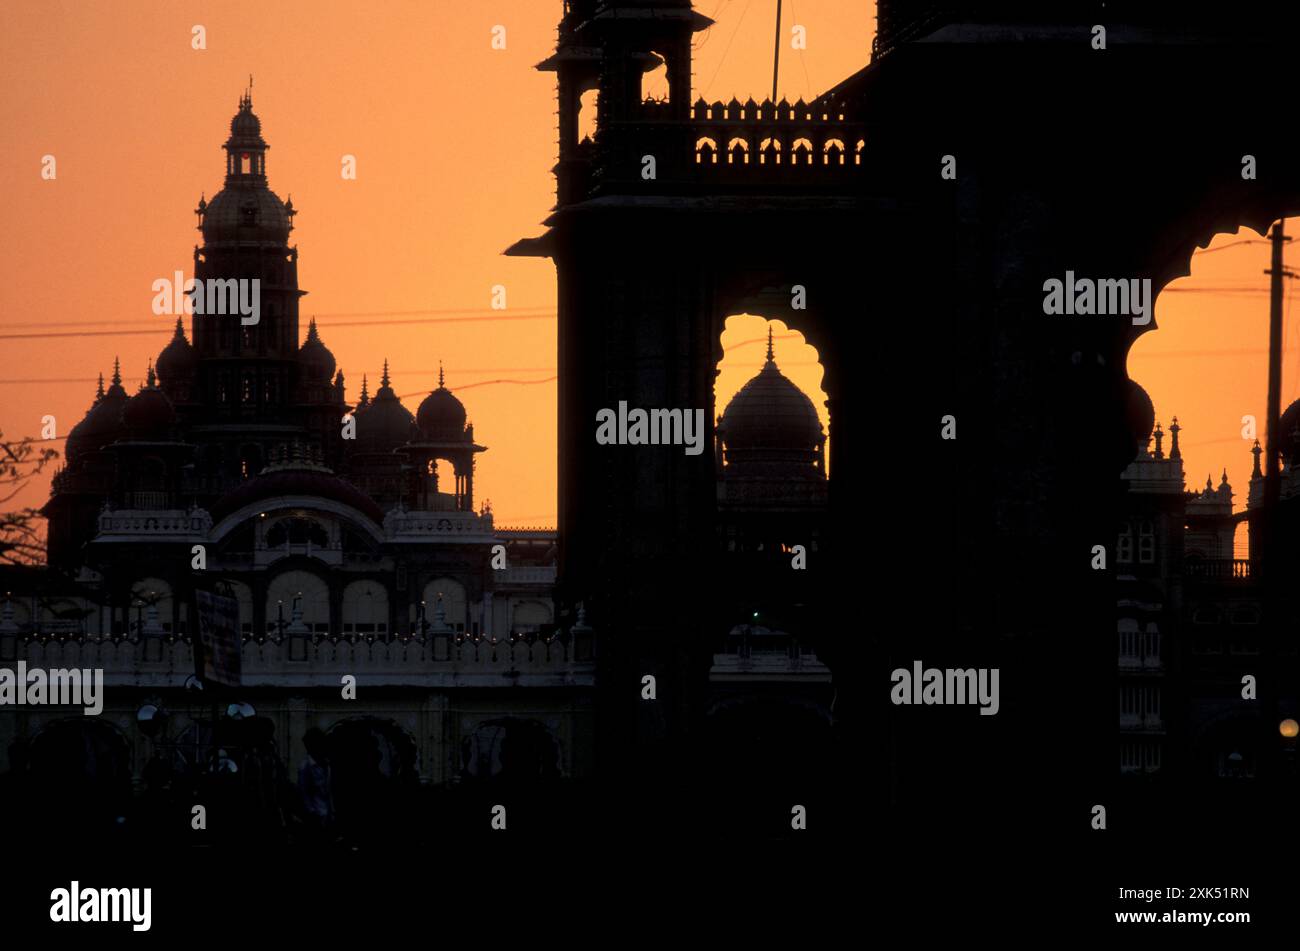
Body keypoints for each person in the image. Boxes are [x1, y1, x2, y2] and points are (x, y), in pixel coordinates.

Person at [297, 728, 335, 844]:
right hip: (316, 817)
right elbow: (304, 794)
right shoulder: (306, 767)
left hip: (329, 816)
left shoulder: (327, 764)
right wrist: (312, 814)